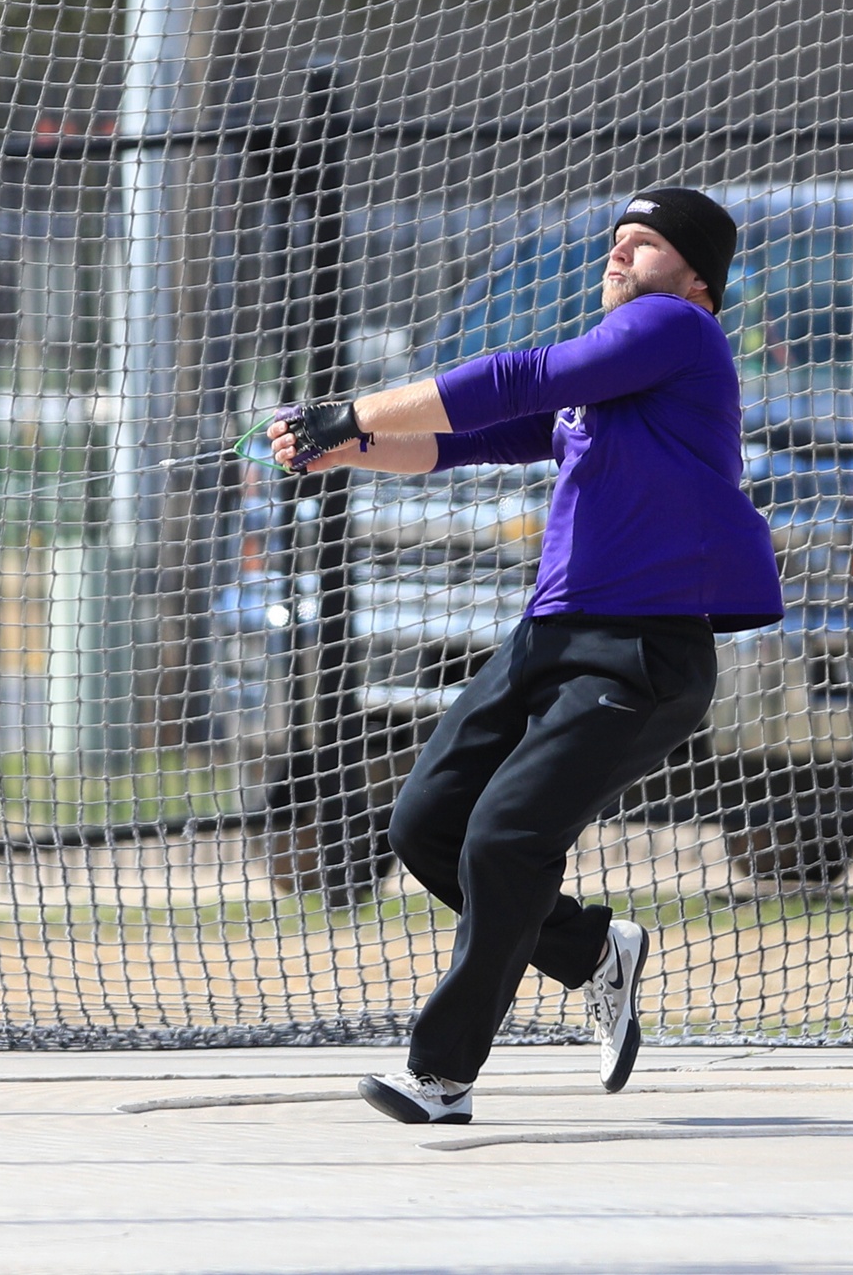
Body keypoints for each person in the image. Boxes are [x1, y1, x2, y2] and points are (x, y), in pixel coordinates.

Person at [266, 188, 783, 1124]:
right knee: (427, 826)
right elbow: (465, 442)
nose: (618, 257)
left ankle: (443, 1075)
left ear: (699, 279)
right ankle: (590, 953)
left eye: (644, 244)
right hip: (548, 637)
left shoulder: (679, 331)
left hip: (643, 650)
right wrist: (346, 453)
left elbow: (519, 377)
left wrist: (347, 410)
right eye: (615, 243)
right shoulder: (618, 383)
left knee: (506, 836)